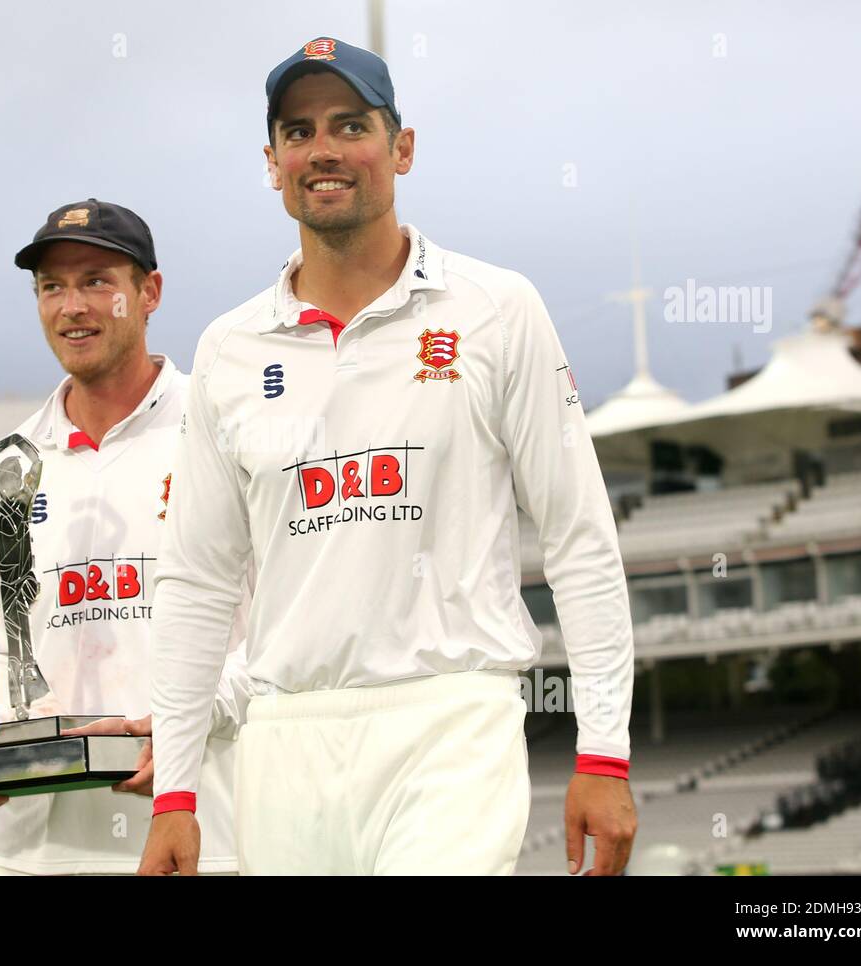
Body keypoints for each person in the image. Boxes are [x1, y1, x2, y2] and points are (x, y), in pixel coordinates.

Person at [141, 37, 638, 875]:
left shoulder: (496, 310)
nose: (323, 151)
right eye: (298, 132)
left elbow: (578, 537)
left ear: (401, 147)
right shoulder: (227, 350)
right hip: (284, 736)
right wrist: (176, 794)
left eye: (350, 125)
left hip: (452, 719)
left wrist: (605, 752)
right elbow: (196, 580)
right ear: (272, 162)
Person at [0, 199, 246, 875]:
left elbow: (275, 630)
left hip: (198, 832)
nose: (72, 306)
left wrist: (187, 722)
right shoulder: (12, 463)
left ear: (149, 292)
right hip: (28, 853)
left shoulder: (219, 430)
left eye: (98, 281)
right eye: (52, 287)